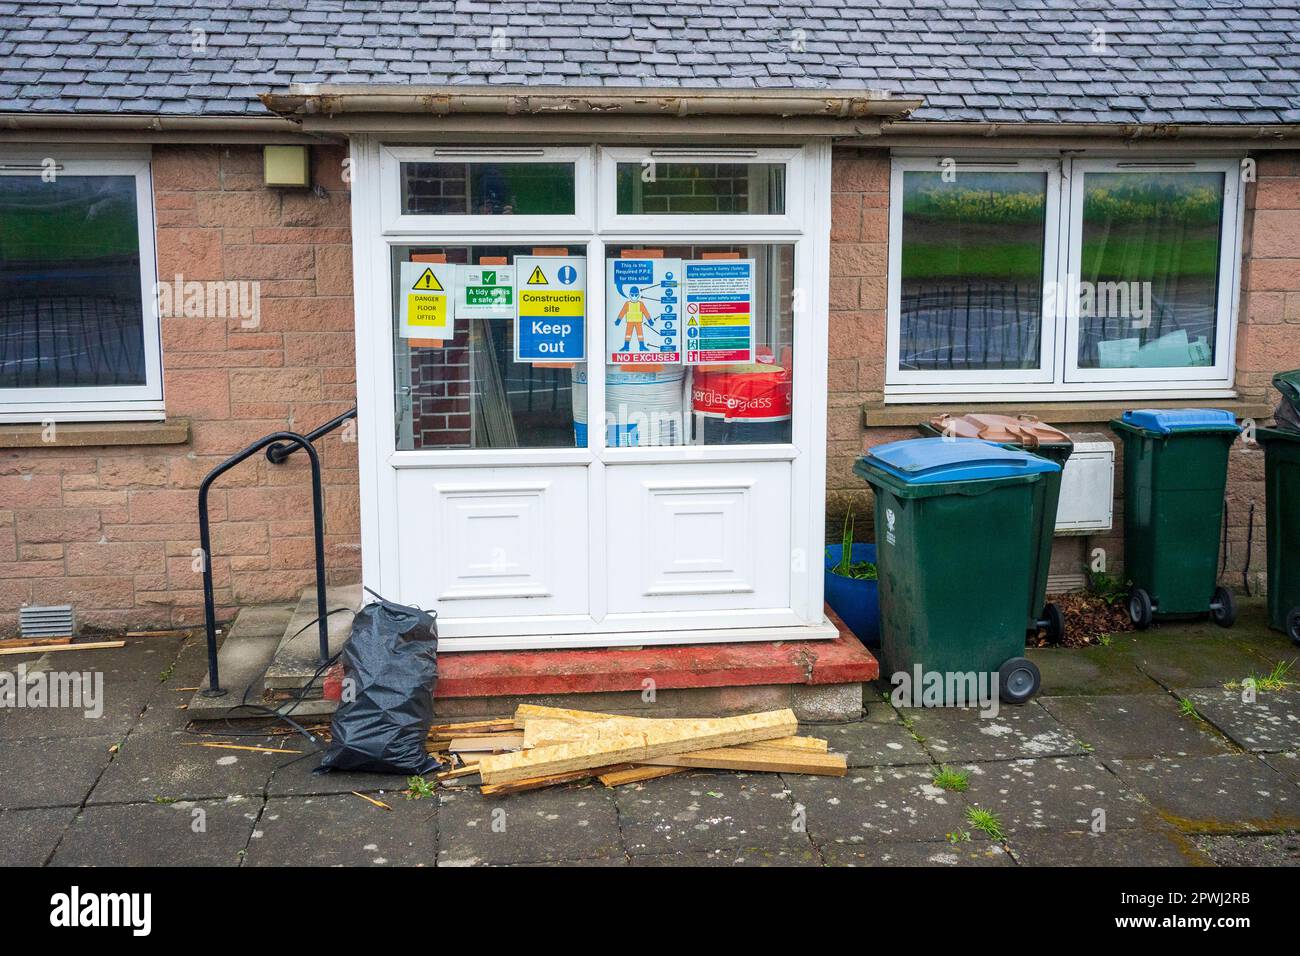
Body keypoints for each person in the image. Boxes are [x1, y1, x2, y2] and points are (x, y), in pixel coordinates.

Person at [614, 286, 655, 352]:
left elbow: (646, 312)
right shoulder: (627, 304)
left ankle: (642, 346)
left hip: (638, 322)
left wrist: (650, 321)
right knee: (628, 334)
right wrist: (618, 320)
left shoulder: (640, 304)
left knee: (640, 334)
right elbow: (622, 312)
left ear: (638, 295)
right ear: (630, 295)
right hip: (630, 322)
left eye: (636, 295)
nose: (634, 296)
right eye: (632, 295)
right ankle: (626, 346)